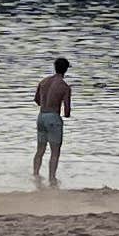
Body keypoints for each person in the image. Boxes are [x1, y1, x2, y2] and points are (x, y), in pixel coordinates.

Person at [32, 58, 73, 187]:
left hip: (41, 116)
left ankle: (35, 176)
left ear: (54, 67)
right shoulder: (64, 87)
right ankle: (52, 179)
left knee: (40, 150)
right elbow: (67, 111)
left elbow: (37, 100)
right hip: (53, 118)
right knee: (55, 152)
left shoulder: (43, 81)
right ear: (66, 69)